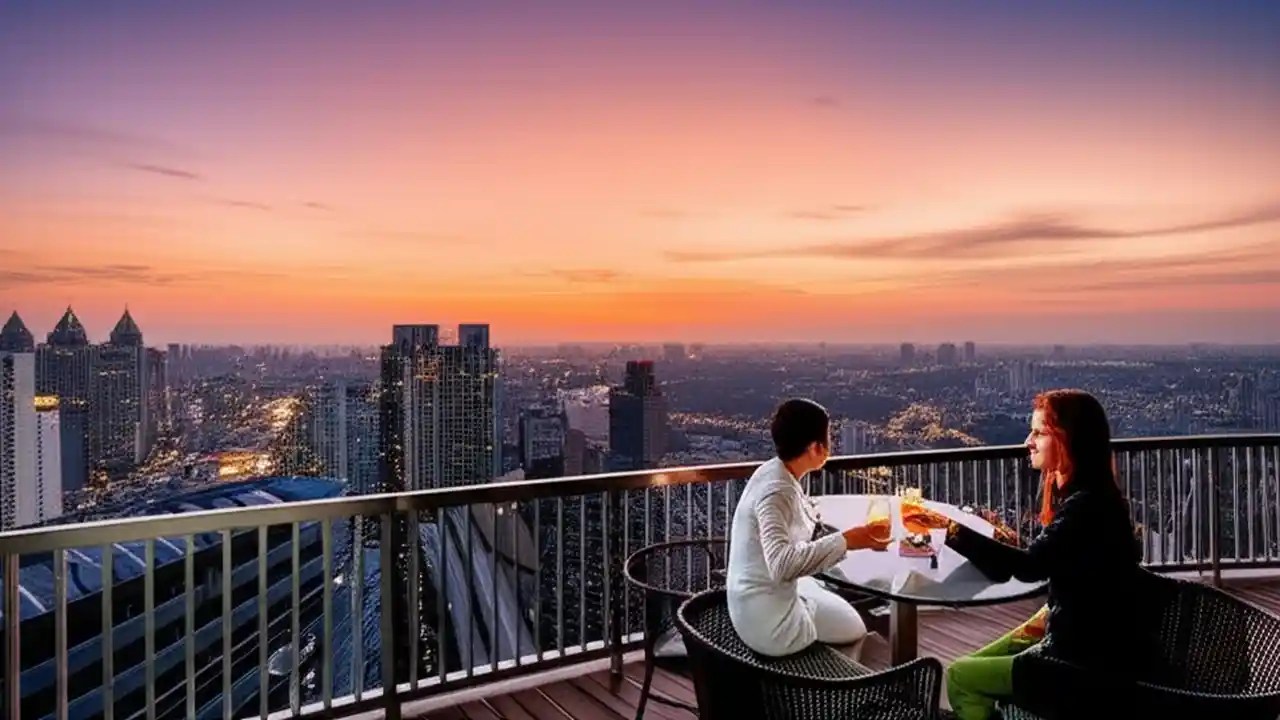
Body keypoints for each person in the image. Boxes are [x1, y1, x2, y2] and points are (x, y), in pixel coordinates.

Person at [912, 389, 1142, 720]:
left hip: (1081, 663)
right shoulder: (1096, 499)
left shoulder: (1085, 506)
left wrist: (948, 529)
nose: (1027, 441)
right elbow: (1051, 555)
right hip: (1084, 633)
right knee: (972, 663)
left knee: (961, 677)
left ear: (1068, 440)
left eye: (1039, 432)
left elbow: (1028, 567)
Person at [726, 398, 892, 657]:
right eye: (829, 437)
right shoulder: (777, 492)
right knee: (855, 627)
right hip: (765, 621)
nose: (831, 445)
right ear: (816, 447)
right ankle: (835, 682)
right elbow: (782, 565)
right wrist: (847, 540)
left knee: (824, 593)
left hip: (749, 600)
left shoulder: (773, 472)